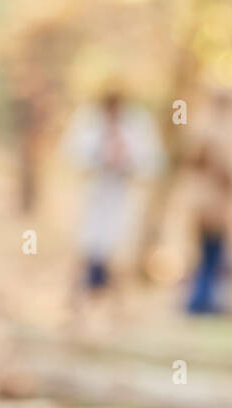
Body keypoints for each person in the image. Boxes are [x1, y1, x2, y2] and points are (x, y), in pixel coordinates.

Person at [64, 81, 163, 314]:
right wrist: (100, 155)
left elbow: (151, 161)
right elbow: (74, 154)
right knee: (86, 249)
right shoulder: (88, 120)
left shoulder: (137, 123)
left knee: (116, 252)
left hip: (122, 195)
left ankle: (118, 310)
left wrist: (126, 158)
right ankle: (76, 306)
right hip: (93, 196)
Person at [180, 89, 232, 315]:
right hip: (209, 201)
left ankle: (204, 299)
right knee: (207, 252)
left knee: (212, 252)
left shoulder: (213, 125)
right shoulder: (211, 127)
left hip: (213, 202)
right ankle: (200, 299)